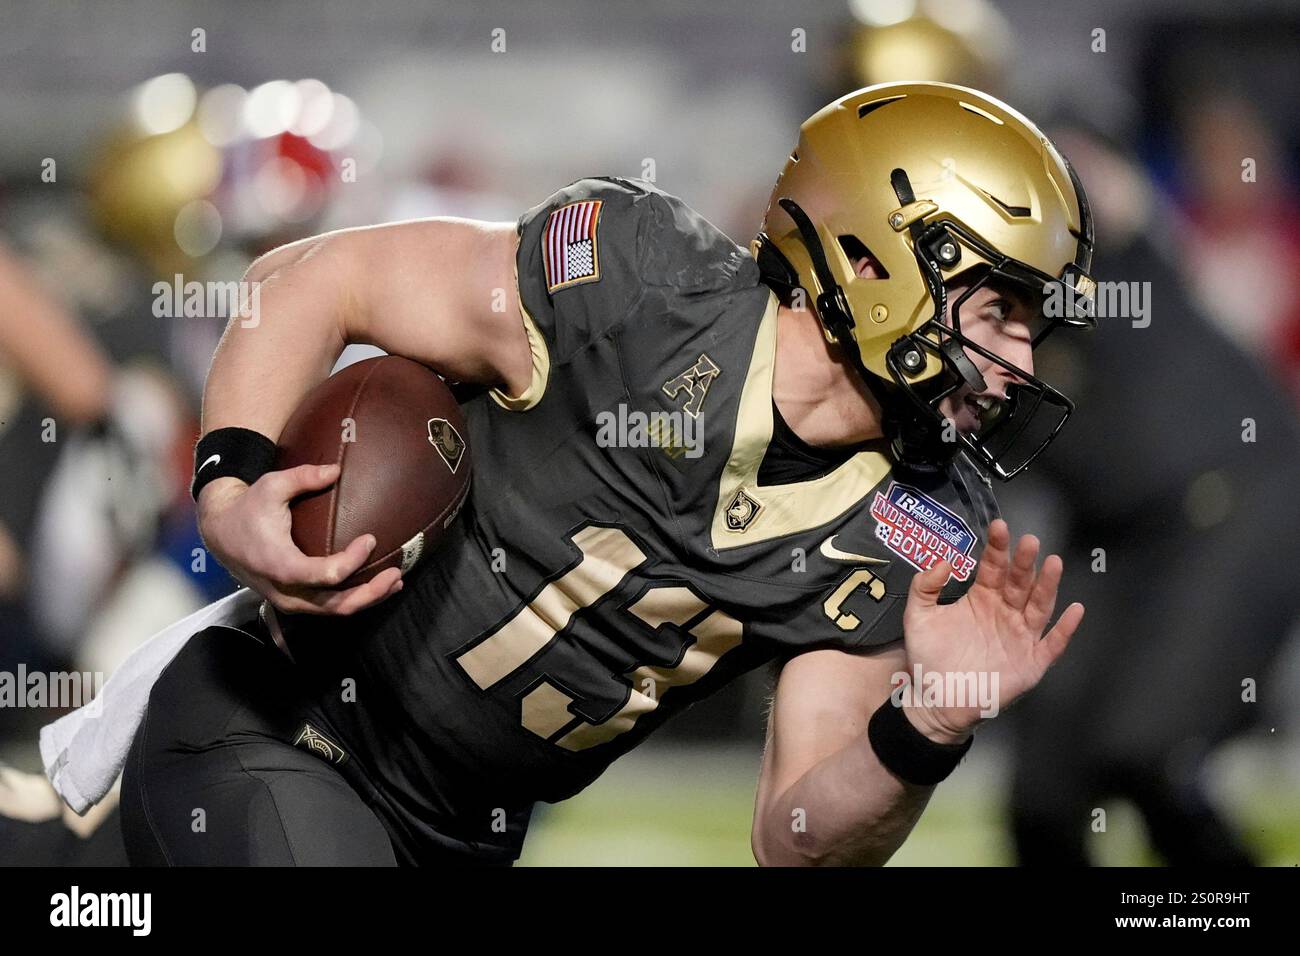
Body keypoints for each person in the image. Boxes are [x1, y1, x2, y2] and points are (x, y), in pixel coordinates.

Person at [120, 82, 1096, 866]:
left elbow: (790, 840)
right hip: (287, 728)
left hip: (466, 831)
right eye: (999, 305)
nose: (1019, 354)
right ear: (875, 256)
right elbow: (315, 278)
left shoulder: (918, 520)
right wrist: (228, 487)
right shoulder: (642, 289)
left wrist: (924, 724)